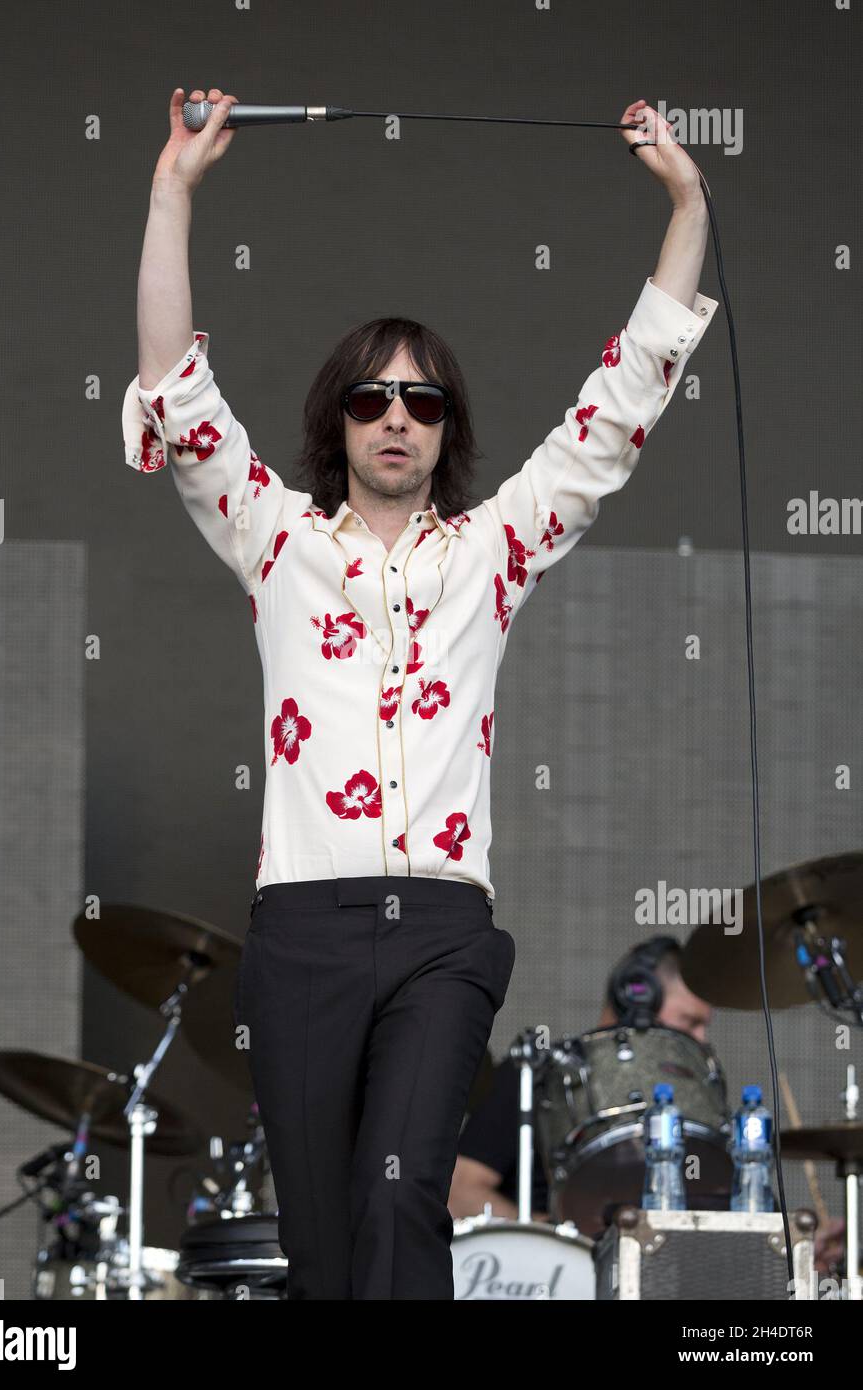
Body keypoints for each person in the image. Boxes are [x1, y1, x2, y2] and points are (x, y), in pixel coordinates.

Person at [122, 86, 716, 1299]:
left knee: (403, 1188)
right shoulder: (273, 538)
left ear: (448, 431)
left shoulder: (492, 549)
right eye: (371, 397)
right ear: (336, 421)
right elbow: (176, 391)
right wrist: (172, 191)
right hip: (300, 934)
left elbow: (620, 402)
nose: (397, 417)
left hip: (441, 932)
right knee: (327, 1244)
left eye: (423, 400)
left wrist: (686, 199)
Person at [449, 936, 846, 1275]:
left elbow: (742, 1214)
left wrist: (799, 1245)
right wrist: (559, 1233)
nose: (702, 1039)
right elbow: (458, 1190)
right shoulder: (540, 1072)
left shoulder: (697, 1094)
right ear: (635, 998)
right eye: (690, 1022)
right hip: (556, 1278)